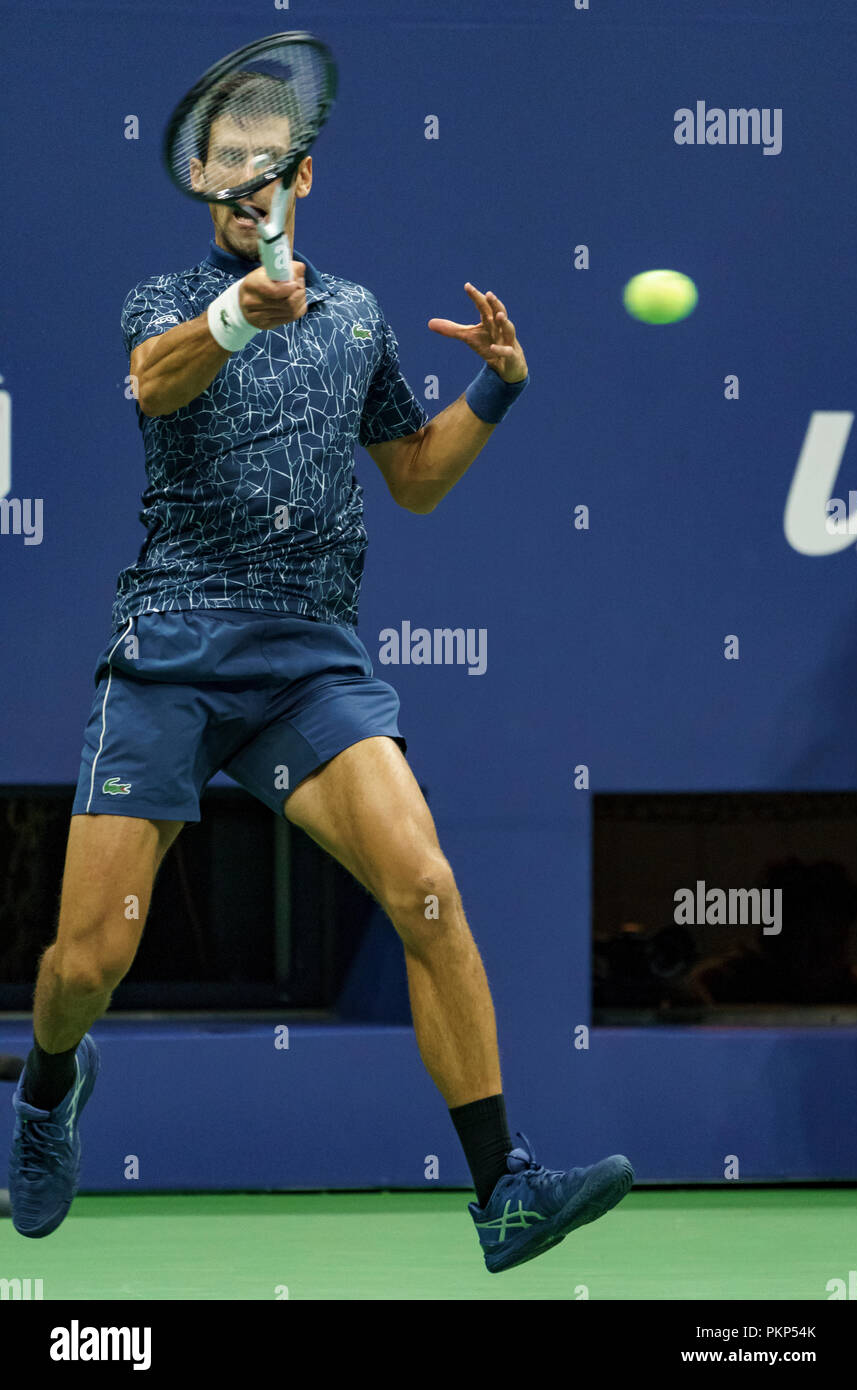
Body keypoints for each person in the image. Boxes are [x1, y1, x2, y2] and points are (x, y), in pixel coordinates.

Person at [9, 75, 632, 1272]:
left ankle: (503, 1186)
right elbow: (153, 380)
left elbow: (411, 473)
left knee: (426, 888)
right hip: (170, 657)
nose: (245, 178)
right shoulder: (167, 300)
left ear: (303, 178)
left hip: (310, 662)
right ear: (203, 183)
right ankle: (47, 1087)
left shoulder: (355, 315)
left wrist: (495, 387)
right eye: (224, 159)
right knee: (87, 964)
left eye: (267, 159)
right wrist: (243, 313)